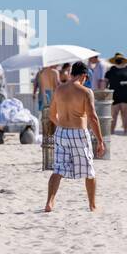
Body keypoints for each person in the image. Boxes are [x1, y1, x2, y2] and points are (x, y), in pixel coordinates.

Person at [45, 61, 105, 212]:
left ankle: (49, 203)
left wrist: (62, 125)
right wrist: (100, 141)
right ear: (84, 76)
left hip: (61, 132)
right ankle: (92, 205)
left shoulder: (59, 90)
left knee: (58, 169)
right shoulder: (86, 92)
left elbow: (51, 115)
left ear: (72, 74)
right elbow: (93, 118)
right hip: (79, 133)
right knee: (89, 170)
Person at [104, 53, 127, 133]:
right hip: (114, 94)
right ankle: (112, 131)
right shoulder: (111, 69)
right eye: (117, 59)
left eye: (120, 59)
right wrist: (105, 90)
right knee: (114, 114)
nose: (118, 60)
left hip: (125, 93)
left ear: (123, 60)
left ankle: (125, 131)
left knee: (124, 113)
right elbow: (106, 80)